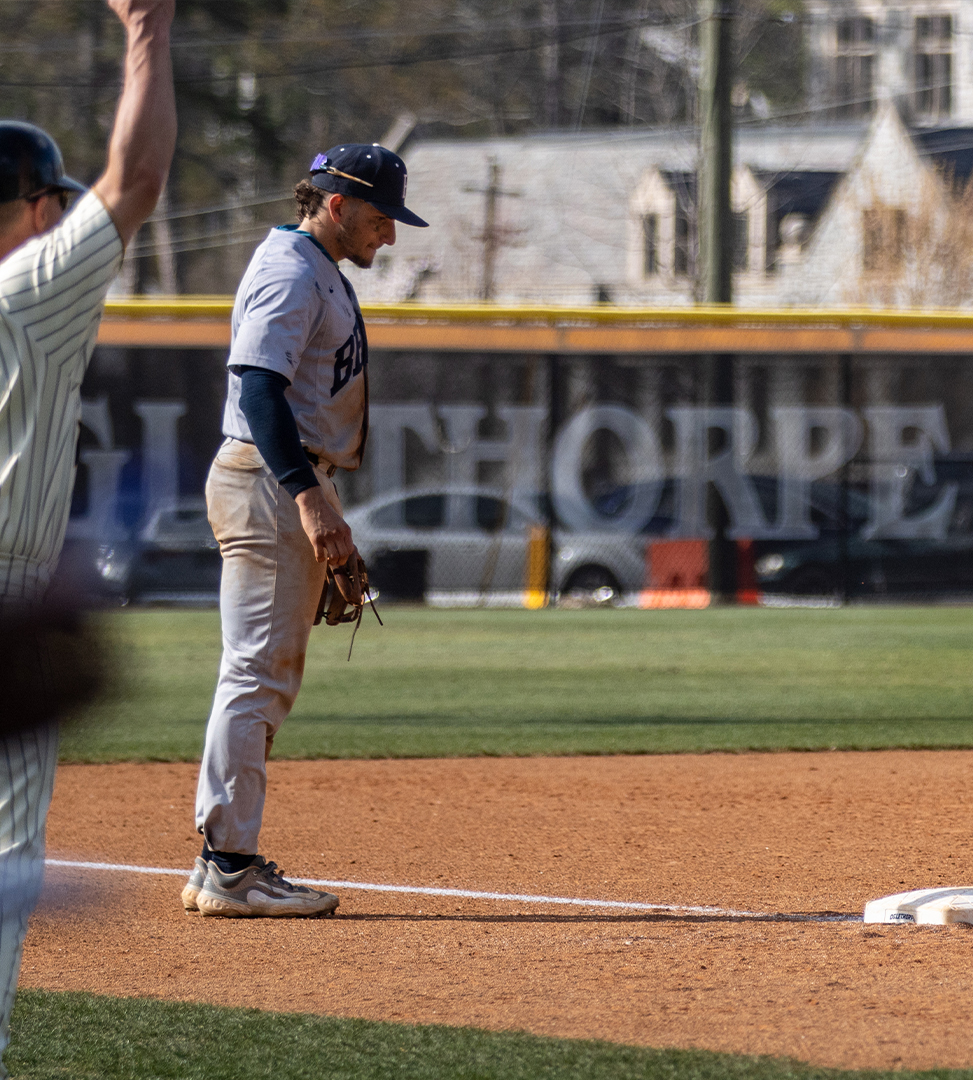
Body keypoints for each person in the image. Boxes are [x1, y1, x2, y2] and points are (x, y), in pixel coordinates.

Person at [180, 144, 427, 918]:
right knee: (255, 673)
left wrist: (314, 493)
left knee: (259, 673)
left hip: (280, 479)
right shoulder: (291, 270)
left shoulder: (312, 267)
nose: (388, 235)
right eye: (381, 218)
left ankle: (221, 863)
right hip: (270, 479)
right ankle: (230, 866)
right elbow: (259, 392)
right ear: (337, 204)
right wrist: (309, 500)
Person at [0, 0, 175, 1066]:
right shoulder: (23, 293)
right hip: (7, 621)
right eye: (49, 199)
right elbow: (137, 182)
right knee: (7, 859)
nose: (62, 213)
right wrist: (148, 25)